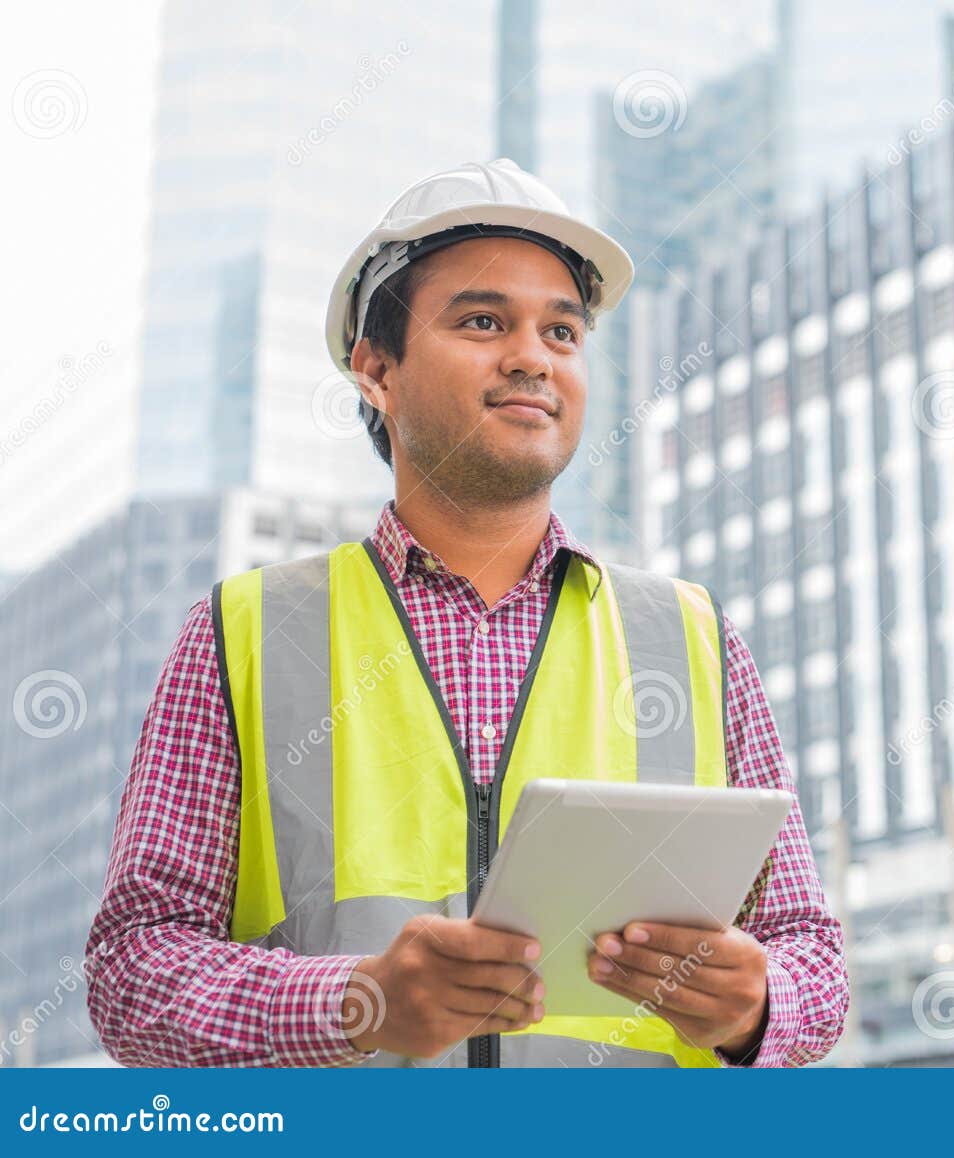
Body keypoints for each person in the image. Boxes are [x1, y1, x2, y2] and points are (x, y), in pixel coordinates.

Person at [83, 159, 849, 1068]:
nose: (532, 355)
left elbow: (815, 963)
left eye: (561, 331)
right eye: (483, 321)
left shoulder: (692, 637)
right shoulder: (245, 631)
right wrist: (353, 1003)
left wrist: (756, 1006)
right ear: (377, 370)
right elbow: (131, 976)